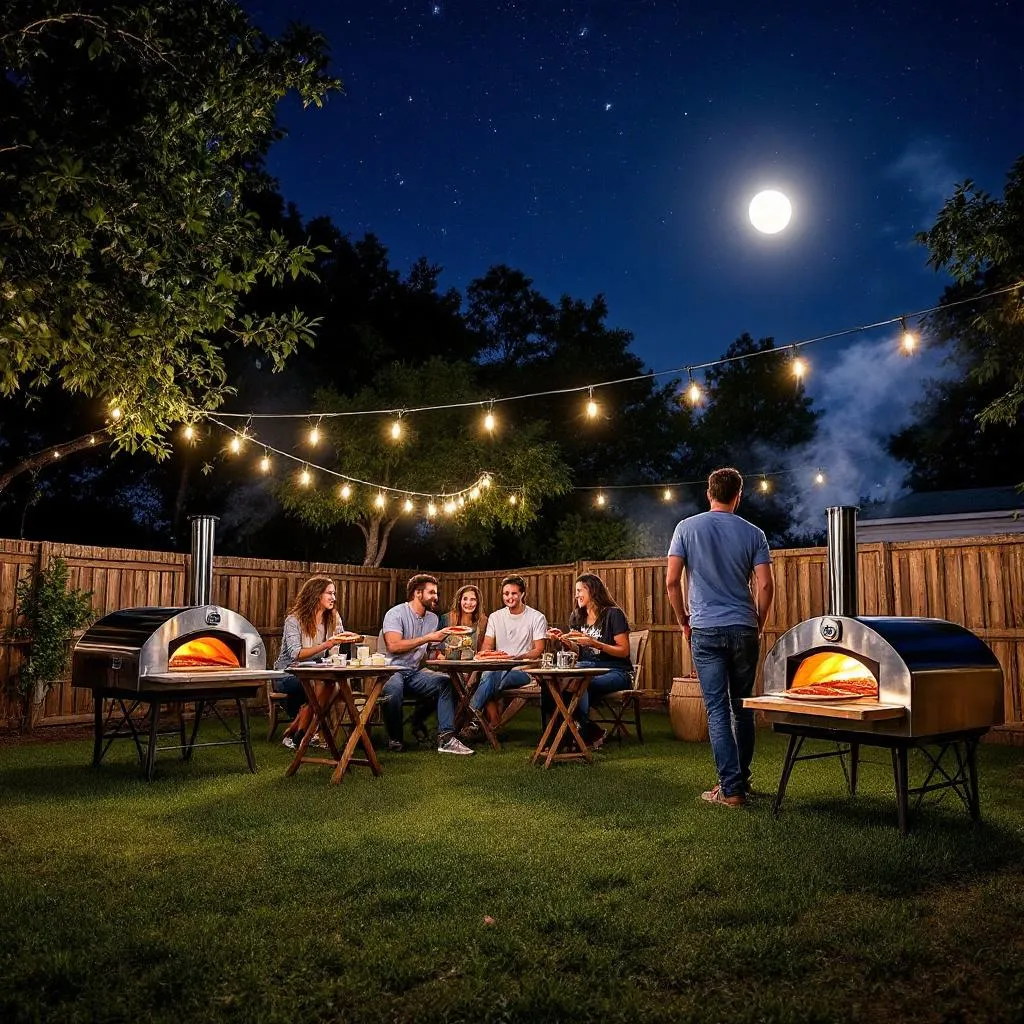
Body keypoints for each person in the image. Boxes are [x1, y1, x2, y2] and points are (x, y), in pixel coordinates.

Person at [666, 467, 775, 808]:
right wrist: (758, 622)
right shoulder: (754, 533)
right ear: (738, 496)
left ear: (709, 493)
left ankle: (730, 790)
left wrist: (684, 621)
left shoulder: (686, 528)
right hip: (744, 627)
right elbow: (766, 585)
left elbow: (671, 582)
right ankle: (740, 782)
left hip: (705, 629)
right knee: (742, 708)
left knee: (716, 710)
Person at [380, 574, 475, 756]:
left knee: (446, 683)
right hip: (392, 671)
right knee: (393, 689)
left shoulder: (432, 619)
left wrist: (444, 652)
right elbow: (393, 646)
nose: (435, 597)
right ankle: (395, 739)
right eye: (431, 593)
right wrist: (427, 638)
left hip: (414, 673)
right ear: (417, 593)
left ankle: (446, 738)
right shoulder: (395, 613)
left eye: (436, 593)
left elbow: (432, 650)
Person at [547, 573, 632, 749]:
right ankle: (587, 733)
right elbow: (579, 651)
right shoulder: (577, 616)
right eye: (576, 591)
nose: (576, 595)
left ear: (592, 590)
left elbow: (624, 651)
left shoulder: (613, 614)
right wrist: (565, 640)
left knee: (579, 683)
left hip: (615, 670)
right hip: (585, 667)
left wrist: (594, 643)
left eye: (580, 590)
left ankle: (577, 736)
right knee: (554, 683)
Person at [461, 574, 547, 741]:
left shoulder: (536, 617)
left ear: (522, 594)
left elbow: (538, 650)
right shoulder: (496, 617)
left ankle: (470, 717)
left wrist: (516, 658)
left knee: (487, 678)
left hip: (524, 671)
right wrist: (486, 656)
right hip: (497, 668)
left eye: (514, 593)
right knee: (489, 675)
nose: (509, 597)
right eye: (506, 594)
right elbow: (487, 645)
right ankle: (490, 723)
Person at [273, 575, 355, 750]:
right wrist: (327, 644)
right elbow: (296, 653)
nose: (333, 598)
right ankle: (307, 732)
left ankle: (299, 732)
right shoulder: (294, 620)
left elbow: (335, 650)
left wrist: (342, 642)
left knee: (332, 684)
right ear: (316, 594)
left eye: (334, 593)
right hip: (288, 673)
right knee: (322, 684)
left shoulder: (333, 618)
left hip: (317, 670)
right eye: (329, 593)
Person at [435, 584, 488, 661]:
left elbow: (483, 650)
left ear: (478, 602)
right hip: (448, 664)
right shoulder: (446, 619)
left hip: (474, 665)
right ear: (459, 600)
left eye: (473, 599)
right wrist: (440, 657)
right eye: (465, 599)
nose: (468, 603)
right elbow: (435, 647)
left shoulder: (483, 621)